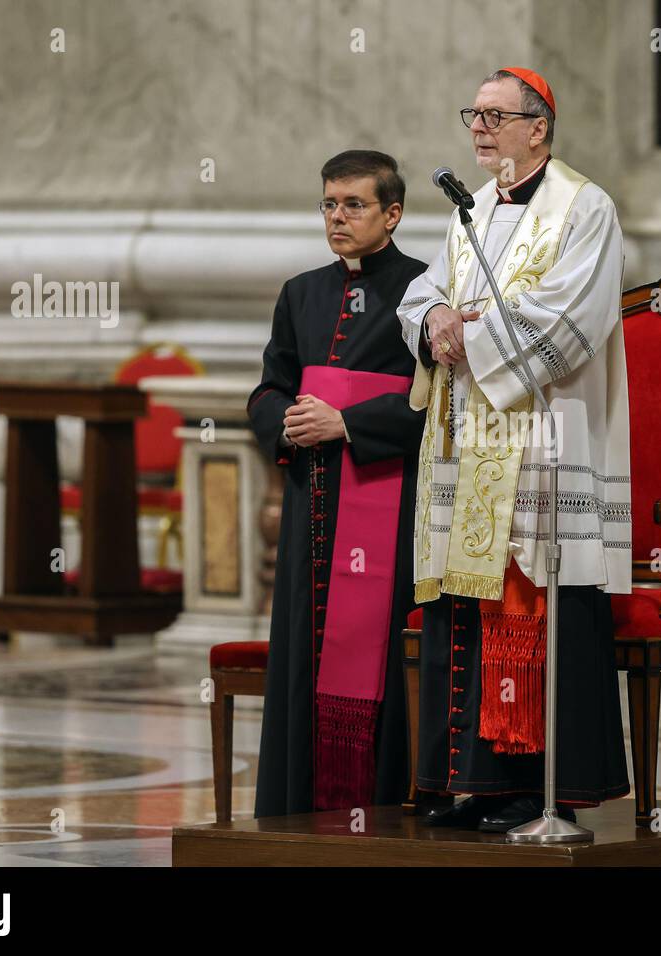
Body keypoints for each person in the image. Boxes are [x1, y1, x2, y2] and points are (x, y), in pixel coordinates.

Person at [397, 69, 632, 832]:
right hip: (469, 444)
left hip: (543, 443)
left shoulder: (584, 207)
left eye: (496, 116)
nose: (479, 128)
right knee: (469, 600)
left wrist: (472, 333)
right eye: (473, 114)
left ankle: (541, 787)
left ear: (540, 127)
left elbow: (571, 319)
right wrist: (434, 318)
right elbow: (425, 290)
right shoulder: (472, 210)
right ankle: (477, 783)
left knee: (533, 601)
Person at [249, 149, 428, 816]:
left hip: (383, 498)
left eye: (353, 205)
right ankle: (297, 809)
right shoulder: (301, 292)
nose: (337, 217)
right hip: (312, 506)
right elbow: (270, 385)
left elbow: (433, 401)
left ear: (392, 213)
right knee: (304, 652)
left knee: (379, 655)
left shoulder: (425, 290)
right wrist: (287, 422)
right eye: (329, 203)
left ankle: (383, 807)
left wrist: (346, 422)